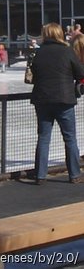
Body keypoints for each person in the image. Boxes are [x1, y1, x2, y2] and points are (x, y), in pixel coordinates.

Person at [28, 22, 84, 184]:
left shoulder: (40, 53)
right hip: (64, 99)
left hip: (42, 99)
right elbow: (80, 72)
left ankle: (40, 175)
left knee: (44, 137)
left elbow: (35, 74)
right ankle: (74, 174)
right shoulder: (67, 51)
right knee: (70, 138)